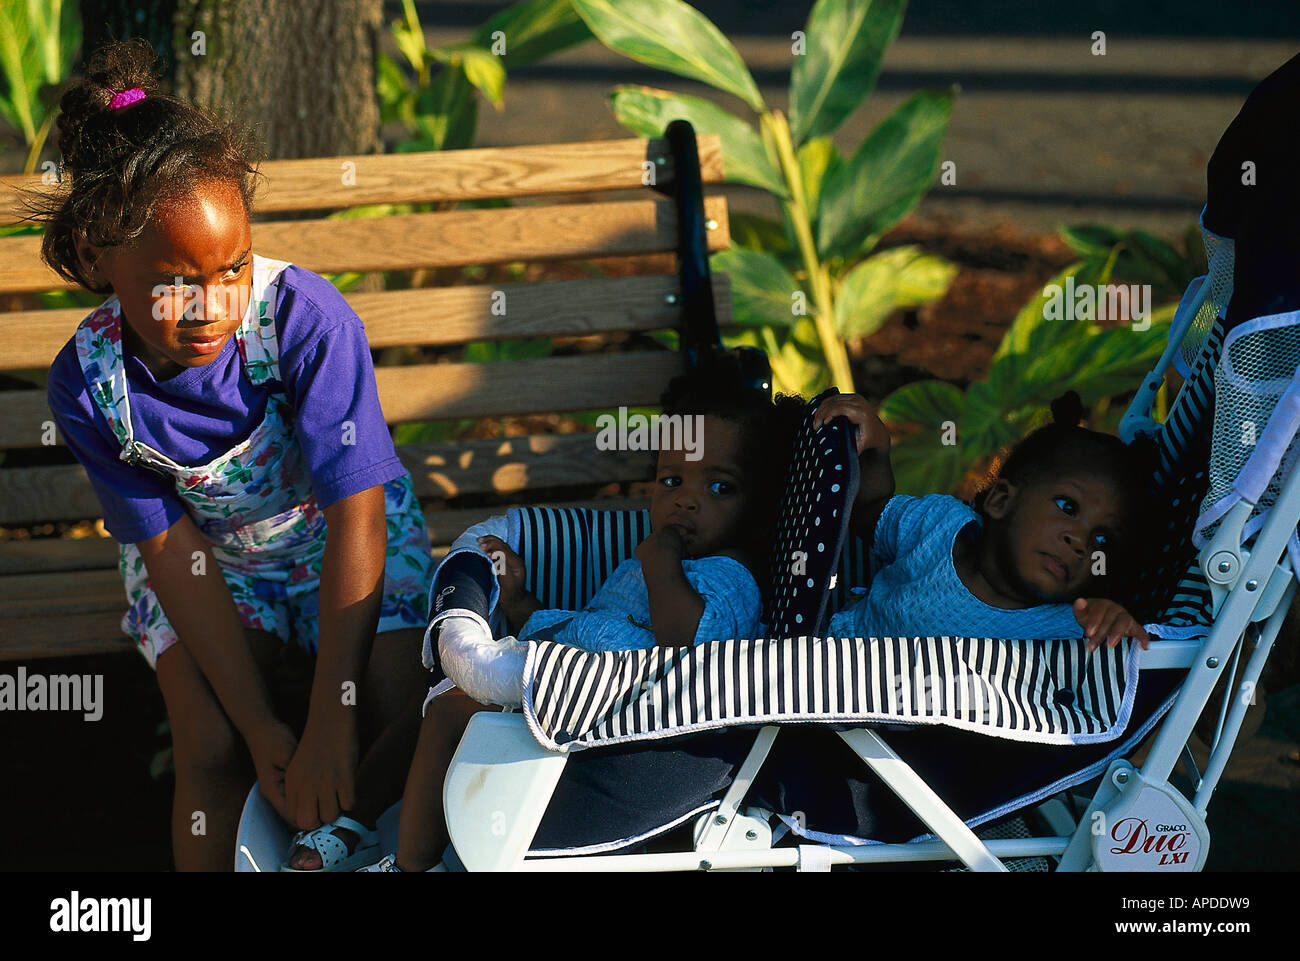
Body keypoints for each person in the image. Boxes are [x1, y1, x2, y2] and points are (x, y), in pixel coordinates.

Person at [35, 40, 433, 872]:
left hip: (341, 538)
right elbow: (170, 550)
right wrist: (260, 726)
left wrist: (332, 713)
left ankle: (375, 847)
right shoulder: (88, 385)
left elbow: (359, 509)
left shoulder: (306, 323)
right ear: (103, 259)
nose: (213, 306)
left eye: (234, 268)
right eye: (180, 280)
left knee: (403, 703)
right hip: (213, 562)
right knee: (209, 742)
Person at [373, 365, 806, 871]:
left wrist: (660, 562)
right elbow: (592, 626)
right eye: (671, 480)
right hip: (577, 695)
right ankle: (371, 822)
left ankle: (409, 863)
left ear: (761, 508)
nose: (686, 498)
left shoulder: (731, 576)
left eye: (721, 488)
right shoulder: (651, 566)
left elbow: (689, 643)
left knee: (450, 708)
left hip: (632, 728)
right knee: (440, 696)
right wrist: (521, 603)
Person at [813, 390, 1154, 649]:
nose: (1080, 542)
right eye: (1067, 506)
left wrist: (1112, 622)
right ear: (1001, 500)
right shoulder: (938, 528)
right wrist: (877, 446)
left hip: (882, 743)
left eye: (1102, 540)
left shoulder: (1070, 628)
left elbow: (1105, 671)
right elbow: (869, 510)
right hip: (817, 675)